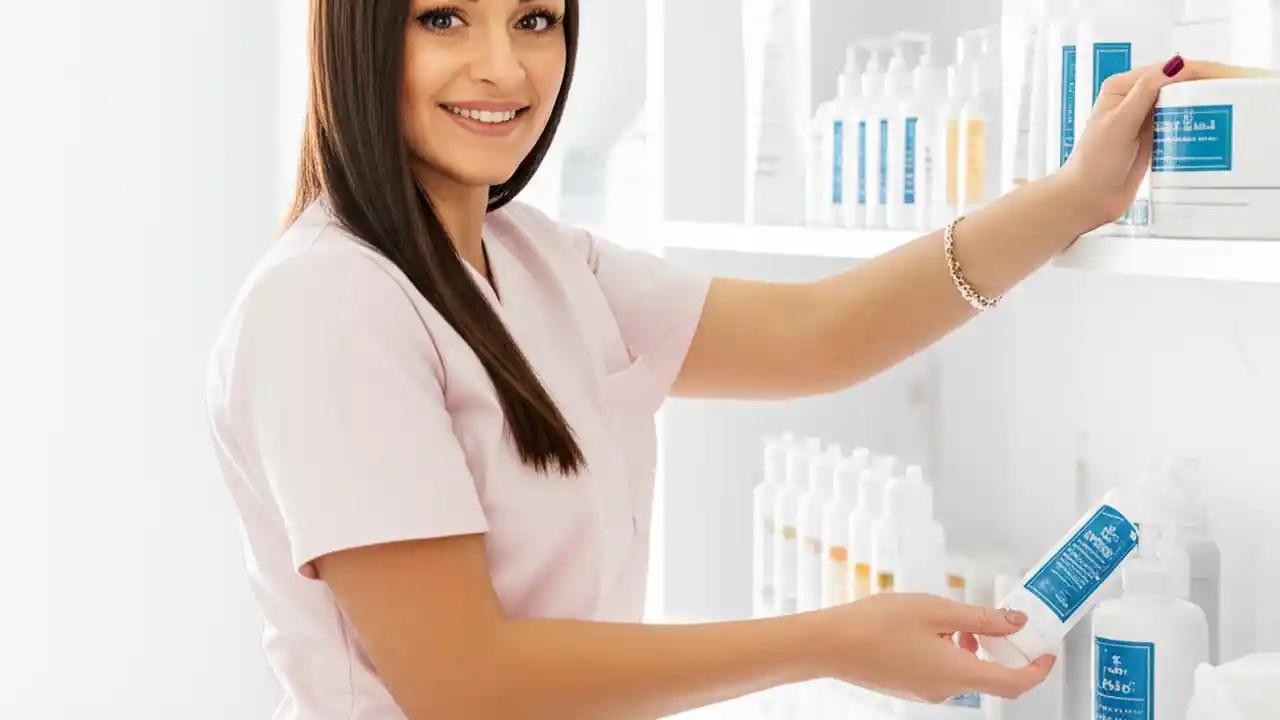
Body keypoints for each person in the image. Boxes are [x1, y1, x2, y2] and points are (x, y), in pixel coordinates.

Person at [205, 1, 1244, 718]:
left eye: (535, 19)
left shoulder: (535, 259)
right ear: (354, 33)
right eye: (443, 20)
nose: (503, 67)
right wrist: (826, 641)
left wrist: (1073, 197)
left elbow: (821, 333)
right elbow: (463, 682)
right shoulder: (326, 304)